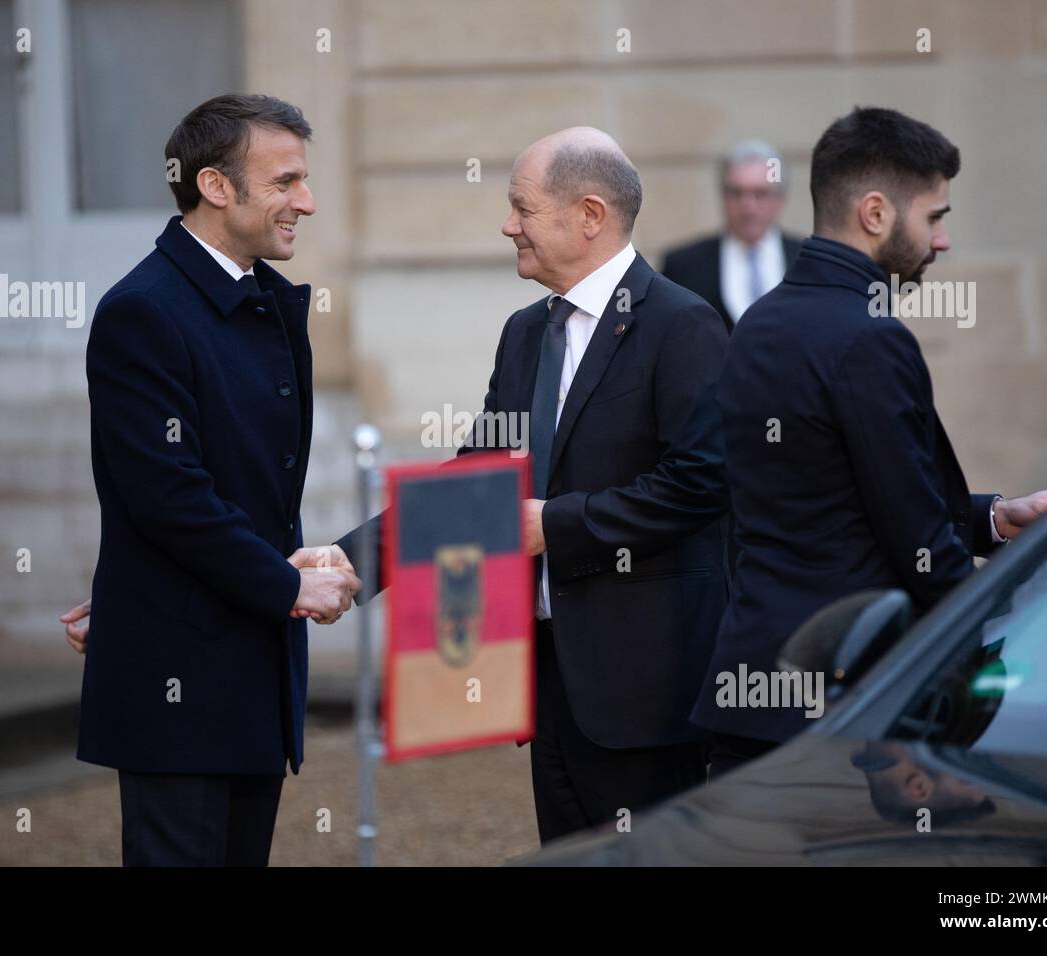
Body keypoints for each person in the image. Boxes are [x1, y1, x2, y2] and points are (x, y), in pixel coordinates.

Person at [334, 128, 731, 844]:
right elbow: (475, 479)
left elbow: (702, 483)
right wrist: (349, 562)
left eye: (521, 206)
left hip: (647, 692)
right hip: (547, 681)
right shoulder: (525, 333)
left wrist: (558, 525)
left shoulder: (683, 325)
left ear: (588, 215)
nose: (507, 224)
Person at [690, 107, 1047, 778]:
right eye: (933, 217)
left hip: (753, 694)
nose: (942, 240)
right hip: (848, 703)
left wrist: (990, 518)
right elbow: (912, 537)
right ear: (874, 213)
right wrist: (1003, 641)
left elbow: (829, 496)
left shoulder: (758, 322)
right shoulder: (869, 336)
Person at [74, 93, 358, 867]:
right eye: (285, 181)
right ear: (215, 186)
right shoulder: (143, 311)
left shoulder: (261, 296)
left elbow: (240, 493)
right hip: (181, 680)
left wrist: (281, 571)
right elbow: (169, 493)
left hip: (249, 666)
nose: (306, 201)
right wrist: (286, 586)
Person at [661, 139, 803, 334]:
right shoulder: (684, 266)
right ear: (722, 195)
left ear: (781, 198)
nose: (748, 206)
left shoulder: (807, 261)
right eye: (736, 193)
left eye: (760, 194)